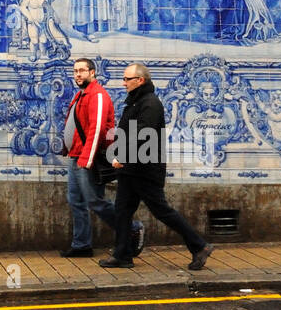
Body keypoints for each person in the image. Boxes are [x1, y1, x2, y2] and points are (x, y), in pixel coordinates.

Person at [101, 63, 213, 271]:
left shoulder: (150, 103)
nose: (123, 83)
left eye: (127, 79)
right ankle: (122, 255)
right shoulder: (136, 102)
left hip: (144, 169)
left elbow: (143, 135)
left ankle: (200, 246)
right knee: (122, 211)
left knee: (162, 211)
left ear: (140, 80)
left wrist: (122, 156)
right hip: (131, 169)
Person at [61, 58, 144, 260]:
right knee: (76, 201)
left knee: (94, 201)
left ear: (92, 73)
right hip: (75, 156)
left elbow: (96, 129)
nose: (78, 74)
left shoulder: (97, 95)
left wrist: (86, 159)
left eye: (82, 70)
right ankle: (81, 245)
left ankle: (133, 228)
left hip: (86, 158)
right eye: (75, 71)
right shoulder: (81, 94)